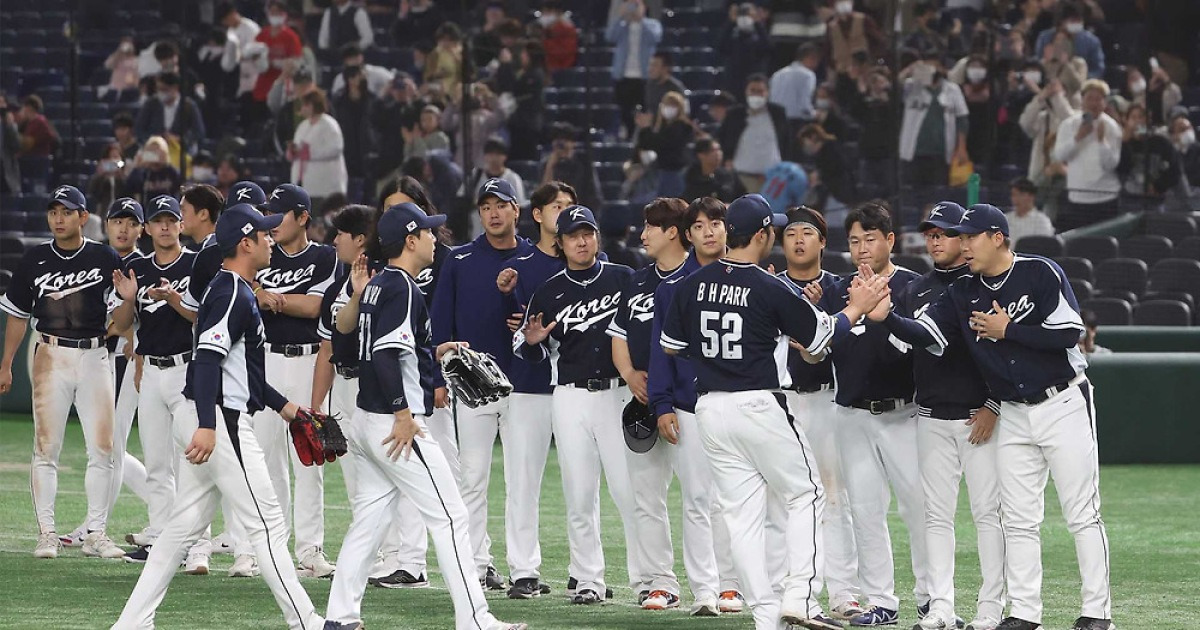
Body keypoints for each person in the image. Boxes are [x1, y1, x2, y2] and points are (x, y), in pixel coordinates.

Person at [873, 203, 1114, 630]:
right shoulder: (963, 291)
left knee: (1081, 512)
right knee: (1018, 519)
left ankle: (1097, 612)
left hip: (1062, 403)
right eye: (960, 238)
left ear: (997, 237)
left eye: (970, 237)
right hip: (1016, 414)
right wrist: (885, 317)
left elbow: (1069, 332)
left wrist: (1010, 331)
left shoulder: (1040, 272)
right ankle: (1024, 613)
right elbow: (929, 334)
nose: (962, 245)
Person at [660, 193, 885, 630]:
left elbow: (673, 346)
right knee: (808, 494)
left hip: (708, 408)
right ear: (762, 234)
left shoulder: (690, 284)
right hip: (758, 402)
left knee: (741, 515)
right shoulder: (768, 285)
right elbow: (819, 340)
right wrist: (856, 308)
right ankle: (798, 596)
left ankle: (766, 615)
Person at [110, 202, 332, 630]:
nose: (270, 239)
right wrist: (210, 427)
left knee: (180, 530)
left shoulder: (232, 288)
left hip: (210, 416)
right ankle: (308, 622)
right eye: (264, 234)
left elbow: (241, 370)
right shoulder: (232, 291)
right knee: (267, 522)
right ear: (245, 243)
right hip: (221, 422)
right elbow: (208, 362)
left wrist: (287, 409)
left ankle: (131, 622)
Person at [321, 202, 527, 630]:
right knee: (451, 517)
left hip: (367, 419)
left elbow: (357, 342)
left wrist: (436, 352)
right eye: (429, 232)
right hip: (394, 424)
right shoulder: (401, 287)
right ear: (411, 240)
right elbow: (384, 355)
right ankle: (475, 619)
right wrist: (401, 413)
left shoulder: (377, 285)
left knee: (369, 521)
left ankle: (340, 618)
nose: (436, 238)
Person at [514, 204, 645, 606]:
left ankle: (647, 580)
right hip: (569, 396)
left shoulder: (624, 278)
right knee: (579, 492)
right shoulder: (551, 289)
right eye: (573, 236)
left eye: (588, 233)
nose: (582, 241)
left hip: (618, 394)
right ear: (561, 244)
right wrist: (534, 343)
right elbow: (522, 345)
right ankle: (588, 578)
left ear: (597, 238)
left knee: (631, 492)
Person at [888, 202, 1005, 630]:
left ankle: (991, 609)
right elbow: (903, 351)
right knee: (934, 516)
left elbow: (1002, 355)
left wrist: (993, 404)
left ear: (965, 239)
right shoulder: (917, 288)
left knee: (988, 514)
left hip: (979, 416)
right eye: (930, 233)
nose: (935, 240)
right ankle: (940, 607)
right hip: (931, 414)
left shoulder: (985, 284)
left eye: (945, 233)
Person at [817, 201, 929, 627]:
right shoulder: (839, 289)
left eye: (870, 239)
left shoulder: (913, 286)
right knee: (864, 510)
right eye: (855, 241)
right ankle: (881, 601)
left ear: (890, 241)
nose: (862, 248)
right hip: (851, 415)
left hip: (905, 413)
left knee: (919, 509)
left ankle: (931, 598)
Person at [609, 197, 723, 615]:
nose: (642, 235)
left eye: (650, 226)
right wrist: (645, 388)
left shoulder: (731, 278)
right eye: (701, 225)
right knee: (649, 496)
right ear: (688, 231)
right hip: (664, 401)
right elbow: (640, 342)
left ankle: (724, 583)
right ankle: (666, 581)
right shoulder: (653, 284)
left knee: (710, 499)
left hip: (709, 402)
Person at [0, 185, 124, 559]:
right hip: (50, 355)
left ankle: (97, 533)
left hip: (95, 354)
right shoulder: (34, 258)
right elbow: (18, 316)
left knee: (102, 450)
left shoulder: (105, 257)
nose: (58, 218)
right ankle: (47, 533)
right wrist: (5, 363)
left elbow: (121, 314)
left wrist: (127, 311)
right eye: (54, 211)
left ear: (83, 217)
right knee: (45, 448)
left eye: (67, 212)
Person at [431, 178, 535, 591]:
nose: (492, 213)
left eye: (501, 205)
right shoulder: (459, 260)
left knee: (521, 480)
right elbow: (440, 323)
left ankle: (524, 569)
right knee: (472, 478)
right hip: (472, 385)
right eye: (486, 206)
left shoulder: (534, 257)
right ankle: (475, 564)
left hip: (524, 383)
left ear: (517, 210)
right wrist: (440, 376)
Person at [646, 197, 745, 615]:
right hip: (688, 405)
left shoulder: (748, 278)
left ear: (727, 230)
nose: (708, 231)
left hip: (738, 403)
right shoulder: (674, 289)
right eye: (699, 225)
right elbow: (660, 351)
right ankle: (705, 589)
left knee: (736, 499)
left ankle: (733, 585)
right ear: (687, 234)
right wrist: (662, 403)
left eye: (716, 223)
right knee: (697, 500)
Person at [109, 195, 212, 574]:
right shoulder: (135, 266)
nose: (165, 227)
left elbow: (201, 319)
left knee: (194, 462)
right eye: (158, 221)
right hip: (150, 371)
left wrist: (173, 300)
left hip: (187, 367)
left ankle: (199, 546)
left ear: (180, 226)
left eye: (172, 220)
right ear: (147, 228)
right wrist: (129, 298)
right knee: (156, 463)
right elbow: (121, 324)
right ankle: (162, 541)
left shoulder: (197, 263)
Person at [774, 206, 865, 622]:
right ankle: (782, 589)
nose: (797, 239)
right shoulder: (771, 288)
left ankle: (843, 592)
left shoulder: (841, 289)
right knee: (780, 500)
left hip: (828, 400)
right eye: (790, 232)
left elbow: (849, 348)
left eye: (807, 232)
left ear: (823, 242)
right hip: (782, 400)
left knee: (834, 497)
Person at [492, 181, 576, 599]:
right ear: (537, 215)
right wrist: (509, 301)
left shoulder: (594, 263)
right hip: (528, 386)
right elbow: (513, 327)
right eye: (555, 206)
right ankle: (524, 570)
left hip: (578, 388)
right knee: (522, 481)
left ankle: (585, 573)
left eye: (569, 206)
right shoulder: (521, 265)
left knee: (585, 484)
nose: (563, 212)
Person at [253, 183, 340, 577]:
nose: (271, 223)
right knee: (266, 457)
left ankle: (310, 550)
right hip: (267, 358)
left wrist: (276, 299)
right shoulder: (263, 252)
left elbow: (317, 306)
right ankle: (268, 547)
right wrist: (260, 292)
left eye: (280, 215)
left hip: (308, 362)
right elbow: (247, 290)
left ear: (303, 217)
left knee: (309, 460)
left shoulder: (324, 256)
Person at [1052, 79, 1121, 231]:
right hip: (1078, 196)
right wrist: (1078, 137)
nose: (1094, 103)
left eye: (1098, 99)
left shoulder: (1112, 127)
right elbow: (1060, 155)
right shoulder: (1069, 124)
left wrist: (1102, 141)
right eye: (1090, 98)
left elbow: (1111, 164)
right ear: (1082, 100)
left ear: (1104, 103)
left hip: (1106, 196)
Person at [899, 54, 970, 189]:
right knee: (912, 194)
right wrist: (909, 70)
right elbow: (894, 88)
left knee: (937, 194)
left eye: (934, 66)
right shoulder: (911, 85)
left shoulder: (952, 89)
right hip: (913, 152)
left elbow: (962, 119)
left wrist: (961, 148)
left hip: (940, 153)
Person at [718, 74, 791, 193]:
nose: (756, 94)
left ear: (767, 92)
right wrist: (727, 159)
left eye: (760, 91)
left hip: (773, 178)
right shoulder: (734, 114)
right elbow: (723, 137)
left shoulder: (778, 113)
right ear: (746, 91)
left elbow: (787, 141)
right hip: (741, 177)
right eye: (752, 90)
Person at [607, 0, 663, 138]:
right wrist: (621, 16)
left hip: (644, 77)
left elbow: (656, 37)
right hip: (624, 76)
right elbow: (610, 36)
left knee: (645, 109)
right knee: (625, 111)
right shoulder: (622, 25)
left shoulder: (652, 25)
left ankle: (644, 138)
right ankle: (627, 135)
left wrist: (641, 19)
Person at [289, 90, 348, 203]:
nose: (303, 108)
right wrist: (293, 152)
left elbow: (335, 149)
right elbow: (298, 148)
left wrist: (310, 153)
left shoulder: (329, 125)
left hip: (325, 187)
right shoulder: (303, 126)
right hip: (304, 184)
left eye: (306, 105)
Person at [463, 138, 527, 238]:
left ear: (504, 157)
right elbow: (461, 201)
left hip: (506, 236)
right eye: (490, 154)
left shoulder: (512, 178)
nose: (494, 158)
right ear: (485, 156)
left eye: (498, 154)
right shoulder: (475, 175)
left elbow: (520, 207)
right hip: (477, 233)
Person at [1117, 102, 1180, 203]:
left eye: (1141, 117)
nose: (1138, 121)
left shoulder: (1161, 142)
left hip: (1156, 199)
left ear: (1148, 120)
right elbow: (1121, 169)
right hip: (1129, 199)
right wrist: (1124, 143)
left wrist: (1158, 187)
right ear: (1127, 121)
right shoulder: (1122, 143)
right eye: (1133, 117)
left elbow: (1174, 171)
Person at [635, 91, 694, 198]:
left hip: (675, 172)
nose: (669, 108)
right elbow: (646, 144)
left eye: (673, 105)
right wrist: (644, 129)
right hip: (663, 172)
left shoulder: (681, 127)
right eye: (667, 104)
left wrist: (646, 128)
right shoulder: (663, 127)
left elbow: (660, 143)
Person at [495, 41, 547, 162]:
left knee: (524, 159)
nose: (521, 56)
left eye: (524, 53)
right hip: (519, 126)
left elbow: (513, 88)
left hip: (527, 126)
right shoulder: (525, 73)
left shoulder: (535, 74)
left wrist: (506, 65)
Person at [251, 1, 303, 120]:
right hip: (262, 86)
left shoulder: (291, 37)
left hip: (282, 86)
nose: (274, 15)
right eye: (272, 12)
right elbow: (253, 53)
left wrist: (275, 63)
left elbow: (296, 62)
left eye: (278, 12)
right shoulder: (262, 35)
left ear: (284, 14)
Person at [134, 72, 206, 156]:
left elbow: (199, 132)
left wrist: (179, 139)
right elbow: (139, 129)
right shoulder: (150, 104)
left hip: (180, 151)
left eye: (164, 89)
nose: (160, 93)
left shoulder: (189, 106)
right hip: (154, 149)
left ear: (175, 88)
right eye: (158, 89)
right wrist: (155, 140)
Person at [539, 122, 603, 210]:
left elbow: (595, 197)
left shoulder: (584, 163)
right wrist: (550, 167)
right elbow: (542, 199)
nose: (562, 144)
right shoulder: (547, 164)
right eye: (558, 140)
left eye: (566, 140)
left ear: (573, 143)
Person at [1034, 1, 1104, 79]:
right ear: (1061, 22)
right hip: (1051, 81)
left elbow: (1098, 70)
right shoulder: (1045, 37)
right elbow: (1038, 64)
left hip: (1081, 82)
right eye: (1073, 21)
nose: (1077, 24)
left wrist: (1080, 78)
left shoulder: (1092, 41)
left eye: (1079, 20)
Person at [799, 123, 855, 220]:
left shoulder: (831, 150)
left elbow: (835, 170)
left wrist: (819, 177)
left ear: (813, 137)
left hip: (837, 195)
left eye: (805, 142)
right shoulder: (819, 155)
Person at [717, 2, 769, 95]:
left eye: (749, 15)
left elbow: (767, 48)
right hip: (733, 83)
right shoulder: (733, 38)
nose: (745, 18)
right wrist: (731, 22)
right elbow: (721, 47)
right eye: (742, 14)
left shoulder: (758, 37)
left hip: (753, 83)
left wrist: (758, 23)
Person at [770, 42, 821, 126]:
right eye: (816, 60)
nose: (816, 65)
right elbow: (804, 106)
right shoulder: (808, 75)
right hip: (795, 123)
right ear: (811, 57)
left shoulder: (777, 74)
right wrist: (814, 114)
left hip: (775, 121)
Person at [682, 138, 746, 203]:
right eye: (712, 150)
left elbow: (742, 195)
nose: (718, 153)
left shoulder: (729, 174)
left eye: (719, 150)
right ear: (701, 155)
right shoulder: (691, 177)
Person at [125, 136, 183, 204]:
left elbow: (180, 187)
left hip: (167, 209)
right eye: (151, 151)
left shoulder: (171, 172)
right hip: (148, 210)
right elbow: (130, 187)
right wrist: (137, 167)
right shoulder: (144, 172)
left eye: (157, 150)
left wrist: (164, 162)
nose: (154, 154)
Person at [331, 43, 396, 100]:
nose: (354, 60)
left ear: (361, 57)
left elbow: (393, 81)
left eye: (356, 57)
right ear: (345, 61)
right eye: (350, 58)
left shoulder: (376, 72)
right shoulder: (339, 78)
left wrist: (383, 92)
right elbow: (336, 99)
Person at [1007, 177, 1055, 244]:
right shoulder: (1006, 219)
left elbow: (1044, 248)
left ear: (1031, 196)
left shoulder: (1042, 221)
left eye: (1021, 195)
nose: (1016, 199)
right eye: (1014, 195)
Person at [644, 52, 687, 121]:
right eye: (650, 65)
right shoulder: (649, 85)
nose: (650, 69)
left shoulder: (676, 89)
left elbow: (678, 117)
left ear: (665, 68)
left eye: (655, 65)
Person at [540, 1, 579, 72]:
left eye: (546, 12)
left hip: (562, 71)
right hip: (546, 70)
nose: (543, 16)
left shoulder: (568, 29)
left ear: (557, 13)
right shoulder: (543, 29)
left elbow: (567, 55)